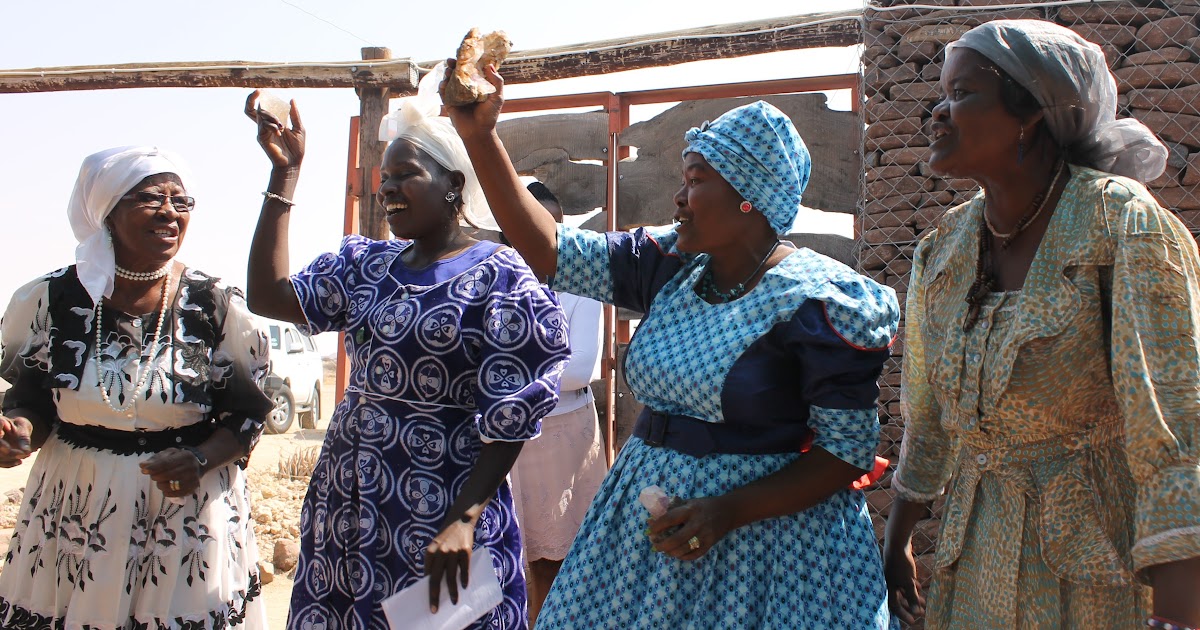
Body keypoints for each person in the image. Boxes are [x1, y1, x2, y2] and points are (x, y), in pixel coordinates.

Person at [445, 61, 900, 628]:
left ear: (749, 195)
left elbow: (844, 453)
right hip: (647, 537)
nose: (679, 198)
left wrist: (727, 510)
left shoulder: (818, 302)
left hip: (770, 552)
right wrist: (480, 136)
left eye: (697, 180)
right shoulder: (670, 265)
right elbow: (552, 250)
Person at [882, 19, 1200, 629]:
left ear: (1031, 111)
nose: (937, 113)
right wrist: (898, 541)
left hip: (1093, 566)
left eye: (961, 94)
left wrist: (1179, 615)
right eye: (941, 94)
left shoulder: (1121, 225)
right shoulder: (943, 249)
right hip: (974, 559)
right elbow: (927, 413)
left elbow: (1174, 425)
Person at [243, 72, 570, 630]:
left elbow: (511, 417)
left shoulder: (500, 277)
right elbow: (268, 296)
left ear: (453, 185)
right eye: (384, 178)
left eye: (406, 175)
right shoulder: (366, 265)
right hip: (350, 499)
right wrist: (285, 174)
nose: (387, 189)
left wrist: (464, 519)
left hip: (441, 502)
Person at [0, 146, 272, 628]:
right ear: (106, 211)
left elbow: (247, 413)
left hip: (184, 511)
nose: (170, 212)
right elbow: (32, 399)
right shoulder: (50, 298)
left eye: (181, 202)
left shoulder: (213, 303)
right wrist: (18, 431)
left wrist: (200, 458)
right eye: (151, 198)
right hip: (76, 505)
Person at [506, 180, 607, 625]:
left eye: (554, 228)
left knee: (557, 560)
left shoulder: (580, 286)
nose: (545, 238)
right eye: (531, 227)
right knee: (511, 557)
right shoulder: (497, 283)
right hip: (511, 441)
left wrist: (505, 374)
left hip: (565, 439)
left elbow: (580, 369)